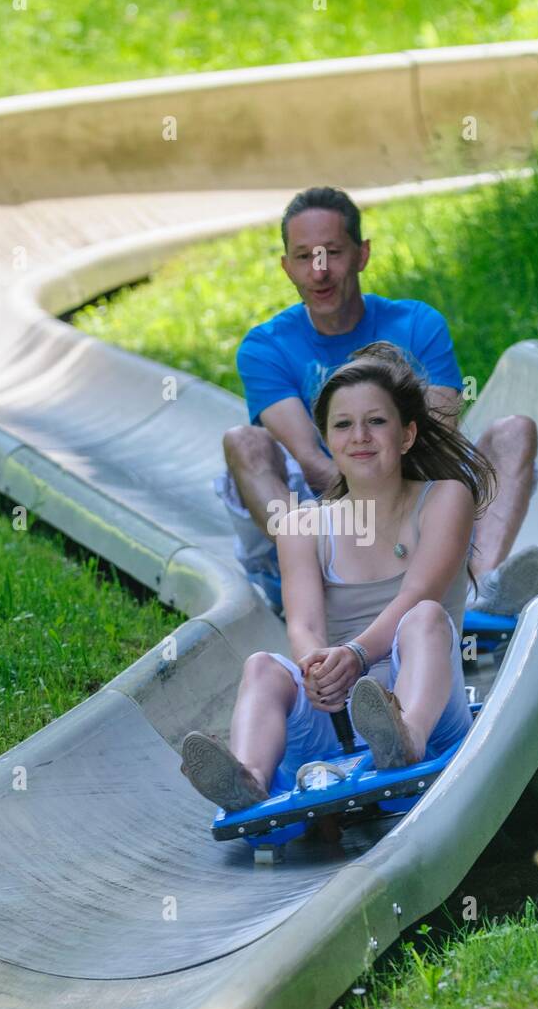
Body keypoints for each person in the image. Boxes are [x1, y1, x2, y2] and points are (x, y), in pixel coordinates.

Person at [182, 344, 497, 813]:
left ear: (407, 435)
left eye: (377, 421)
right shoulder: (304, 524)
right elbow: (304, 625)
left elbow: (418, 593)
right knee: (264, 666)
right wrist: (318, 669)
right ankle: (247, 778)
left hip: (432, 706)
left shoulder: (445, 498)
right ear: (327, 441)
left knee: (426, 618)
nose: (360, 436)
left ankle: (403, 737)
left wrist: (355, 654)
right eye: (344, 425)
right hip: (337, 716)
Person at [213, 184, 538, 619]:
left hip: (417, 497)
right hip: (327, 518)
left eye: (333, 252)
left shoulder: (417, 323)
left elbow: (436, 438)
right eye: (304, 256)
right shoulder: (264, 347)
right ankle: (312, 588)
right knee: (244, 441)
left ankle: (478, 589)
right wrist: (369, 534)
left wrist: (403, 521)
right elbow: (312, 462)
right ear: (286, 267)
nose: (319, 271)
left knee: (515, 431)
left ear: (362, 255)